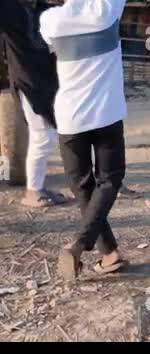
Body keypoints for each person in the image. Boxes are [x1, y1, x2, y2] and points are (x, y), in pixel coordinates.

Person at [40, 0, 129, 278]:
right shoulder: (107, 8)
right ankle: (81, 242)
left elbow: (52, 46)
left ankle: (109, 253)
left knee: (84, 187)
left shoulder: (51, 20)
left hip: (70, 118)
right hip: (106, 115)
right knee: (109, 179)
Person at [0, 0, 67, 207]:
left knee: (46, 136)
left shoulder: (46, 10)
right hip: (28, 82)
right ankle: (33, 191)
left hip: (48, 83)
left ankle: (37, 187)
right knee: (43, 137)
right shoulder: (8, 7)